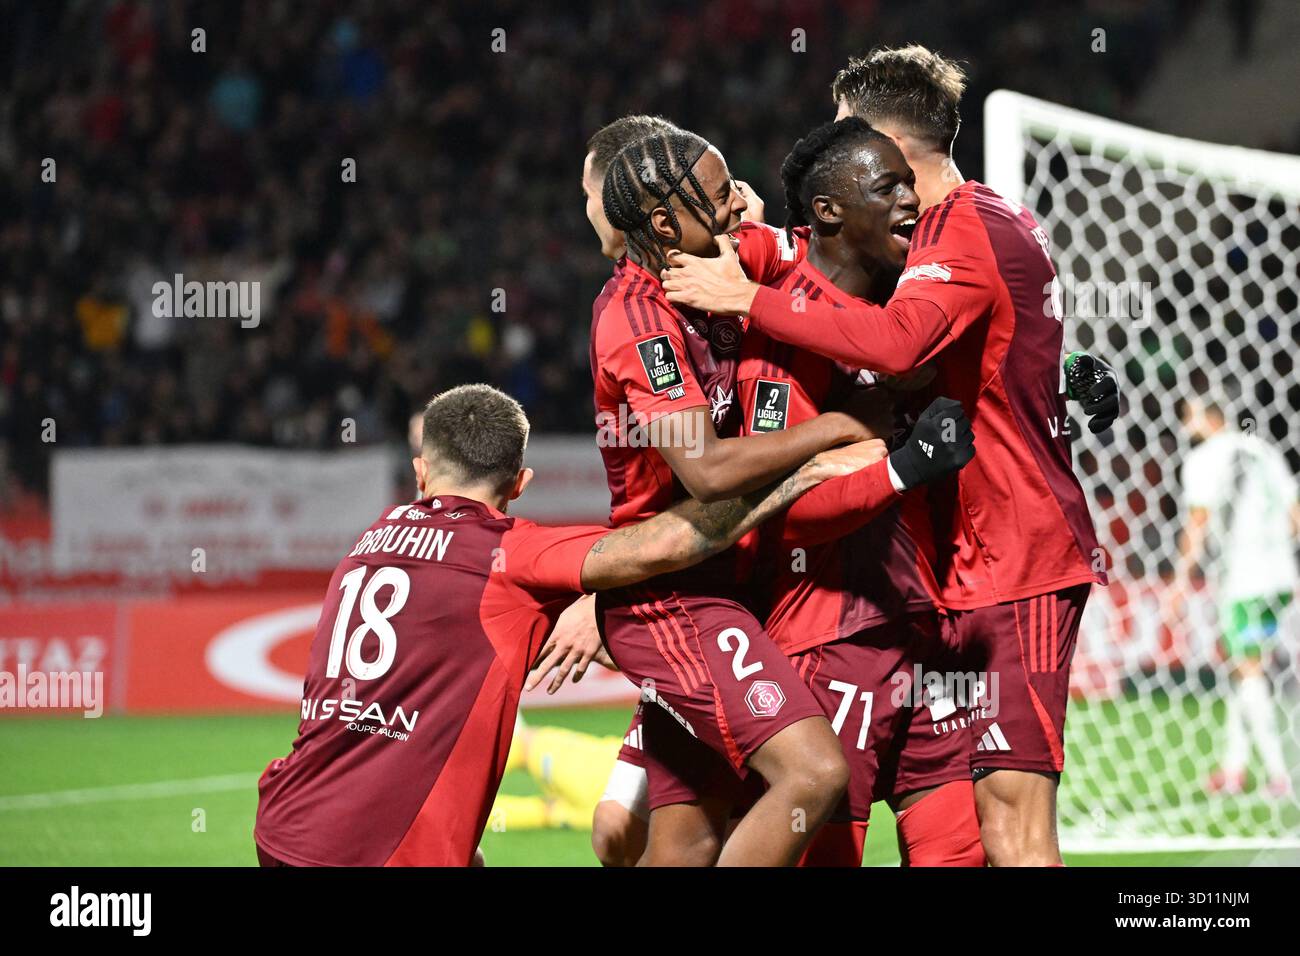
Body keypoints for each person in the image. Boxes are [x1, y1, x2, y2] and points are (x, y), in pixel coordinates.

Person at [662, 47, 1107, 866]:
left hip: (1017, 561)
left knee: (1014, 825)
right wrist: (746, 235)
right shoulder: (956, 231)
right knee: (972, 832)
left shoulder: (964, 227)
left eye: (847, 137)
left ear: (883, 140)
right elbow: (982, 352)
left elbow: (904, 346)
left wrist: (746, 297)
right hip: (959, 573)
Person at [253, 384, 881, 866]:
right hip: (386, 852)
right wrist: (795, 475)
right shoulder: (507, 557)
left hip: (286, 821)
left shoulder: (366, 544)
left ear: (420, 473)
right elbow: (660, 546)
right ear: (520, 484)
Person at [591, 124, 974, 865]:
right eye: (718, 194)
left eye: (735, 183)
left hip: (729, 586)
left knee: (685, 842)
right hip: (673, 592)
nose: (739, 202)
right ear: (667, 226)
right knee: (813, 775)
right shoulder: (639, 317)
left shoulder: (730, 265)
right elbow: (703, 469)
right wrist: (836, 427)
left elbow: (816, 257)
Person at [1174, 389, 1298, 798]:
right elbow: (1295, 515)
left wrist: (1180, 579)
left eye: (1188, 416)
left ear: (1207, 416)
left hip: (1243, 579)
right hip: (1279, 575)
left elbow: (1199, 522)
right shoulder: (1262, 450)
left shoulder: (1204, 459)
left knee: (1247, 672)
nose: (1184, 425)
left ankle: (1278, 774)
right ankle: (1233, 767)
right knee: (1245, 670)